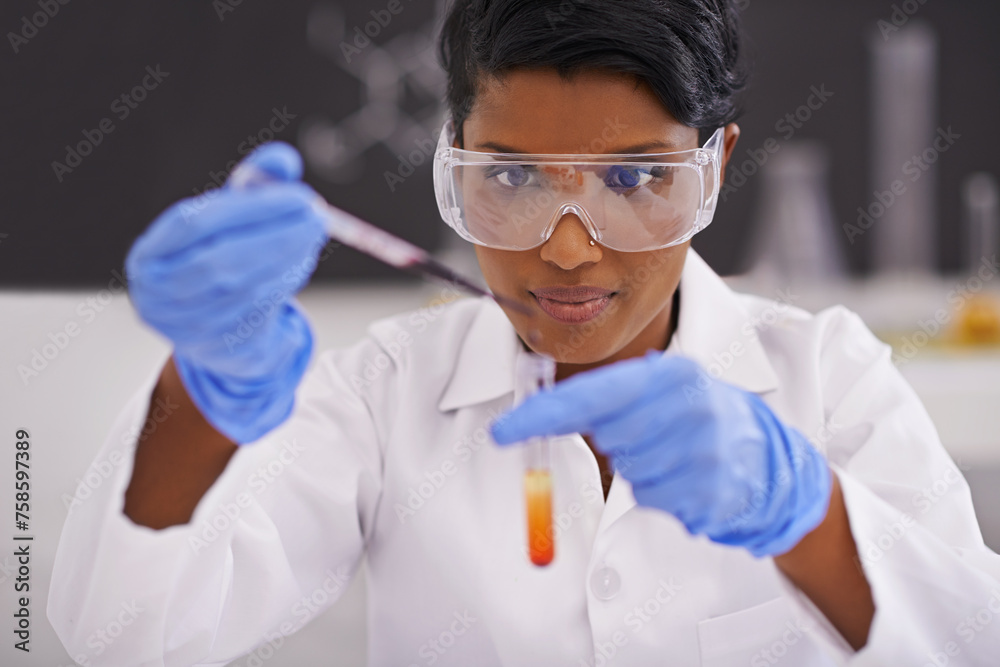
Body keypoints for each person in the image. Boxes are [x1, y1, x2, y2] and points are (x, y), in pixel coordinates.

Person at [47, 0, 1000, 665]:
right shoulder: (387, 393)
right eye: (511, 177)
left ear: (714, 168)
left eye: (635, 179)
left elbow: (971, 644)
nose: (569, 249)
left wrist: (811, 519)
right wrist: (202, 391)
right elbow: (123, 637)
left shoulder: (829, 374)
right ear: (453, 160)